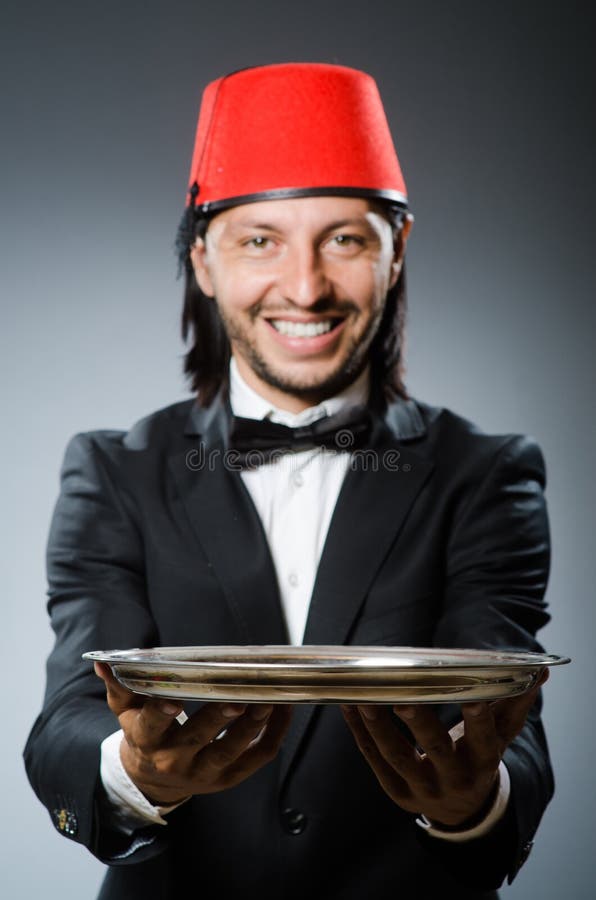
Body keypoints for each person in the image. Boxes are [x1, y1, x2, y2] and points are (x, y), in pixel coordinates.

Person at [24, 63, 554, 900]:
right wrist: (133, 772)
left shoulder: (489, 475)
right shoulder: (113, 470)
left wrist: (475, 806)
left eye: (345, 240)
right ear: (203, 261)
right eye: (259, 241)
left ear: (396, 252)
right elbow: (68, 719)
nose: (305, 288)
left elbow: (509, 727)